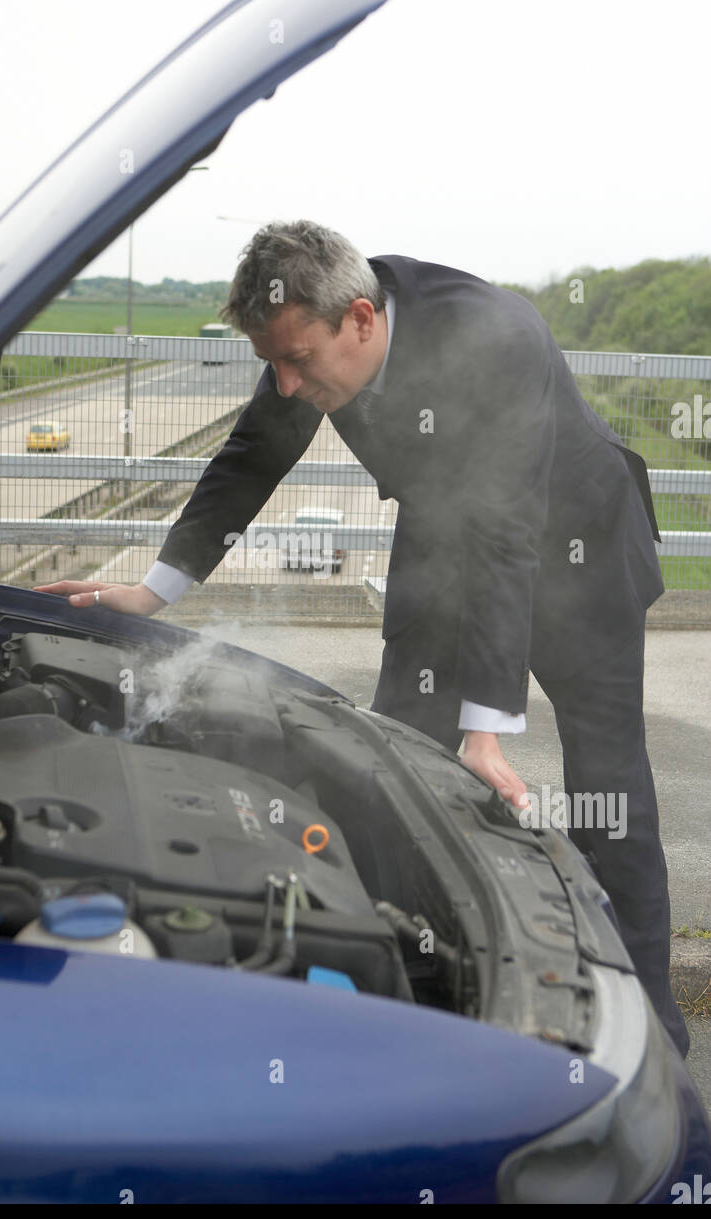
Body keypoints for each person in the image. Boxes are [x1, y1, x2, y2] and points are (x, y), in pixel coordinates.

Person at [36, 220, 689, 1057]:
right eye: (271, 362)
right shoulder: (309, 342)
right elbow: (249, 458)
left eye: (297, 360)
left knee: (611, 803)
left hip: (579, 553)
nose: (286, 380)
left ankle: (658, 1039)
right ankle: (411, 983)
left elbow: (505, 531)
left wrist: (486, 732)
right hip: (443, 545)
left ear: (361, 321)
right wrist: (153, 589)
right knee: (395, 758)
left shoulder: (497, 336)